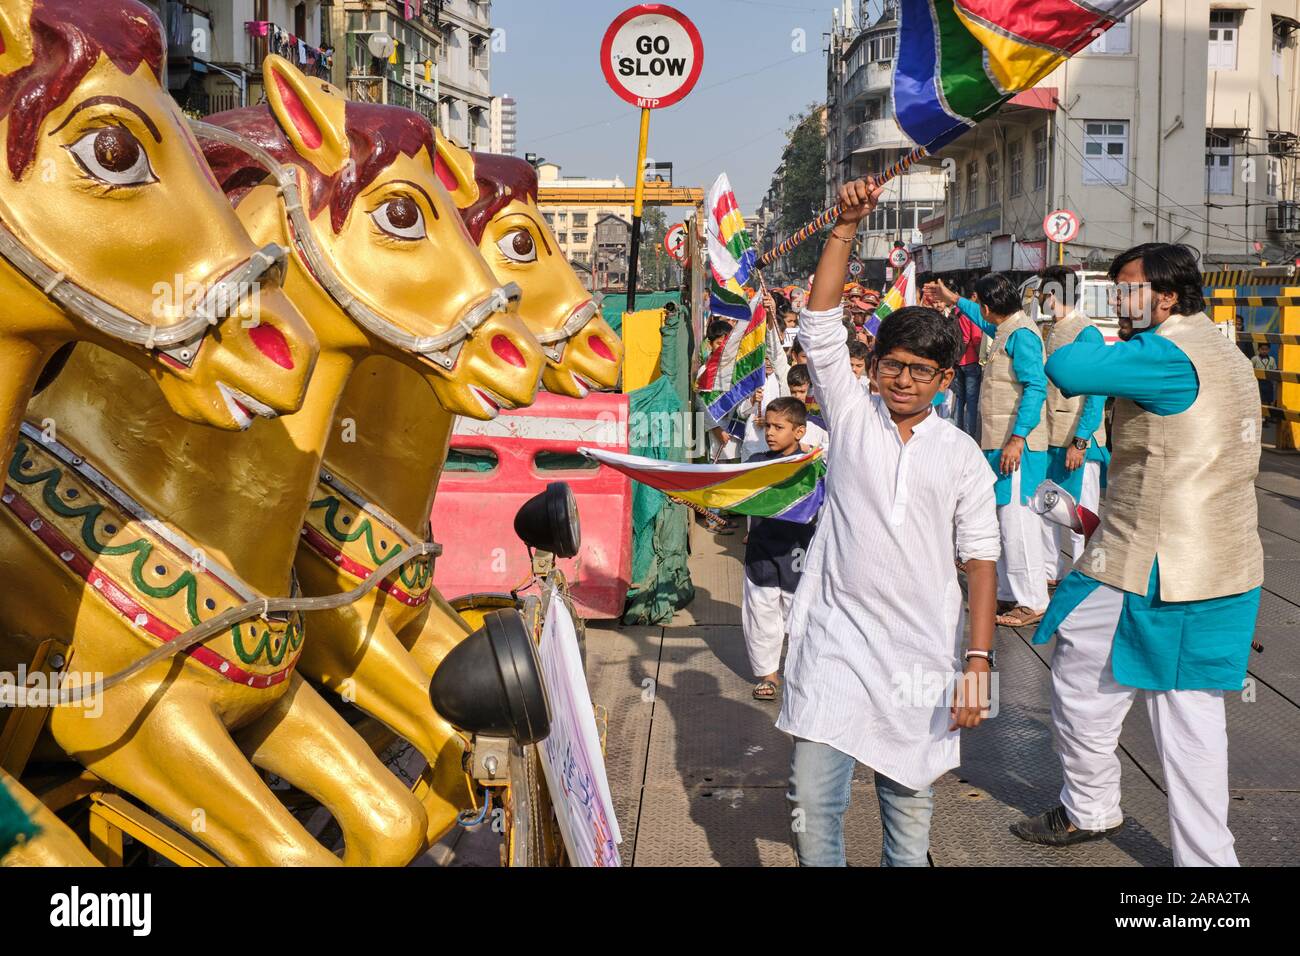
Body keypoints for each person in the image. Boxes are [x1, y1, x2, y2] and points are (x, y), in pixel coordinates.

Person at [1011, 243, 1263, 867]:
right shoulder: (1218, 347)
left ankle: (1207, 869)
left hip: (1160, 566)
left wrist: (1077, 322)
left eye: (1125, 290)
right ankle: (1090, 806)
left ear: (1167, 296)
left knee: (1184, 715)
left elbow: (1067, 369)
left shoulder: (1162, 351)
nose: (1117, 302)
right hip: (1206, 556)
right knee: (1084, 673)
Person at [781, 177, 1000, 868]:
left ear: (944, 380)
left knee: (908, 829)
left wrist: (978, 663)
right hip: (833, 648)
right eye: (892, 366)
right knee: (815, 811)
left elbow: (982, 561)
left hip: (921, 661)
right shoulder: (850, 417)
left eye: (922, 371)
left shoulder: (961, 456)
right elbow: (818, 327)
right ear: (871, 369)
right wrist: (844, 225)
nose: (904, 380)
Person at [928, 274, 1050, 627]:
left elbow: (1035, 388)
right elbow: (982, 319)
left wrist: (1018, 438)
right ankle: (1012, 593)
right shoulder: (1006, 327)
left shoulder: (1022, 335)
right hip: (1000, 443)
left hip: (1017, 447)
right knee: (1004, 521)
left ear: (987, 305)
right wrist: (953, 298)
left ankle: (1033, 600)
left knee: (1019, 522)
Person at [742, 396, 820, 702]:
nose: (770, 433)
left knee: (799, 614)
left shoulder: (813, 466)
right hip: (761, 549)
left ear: (799, 432)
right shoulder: (755, 464)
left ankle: (802, 672)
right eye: (767, 426)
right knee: (761, 614)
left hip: (799, 551)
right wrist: (698, 495)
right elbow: (725, 489)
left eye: (779, 427)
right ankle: (769, 675)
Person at [1035, 265, 1109, 584]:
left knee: (1082, 513)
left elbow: (1097, 390)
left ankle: (1085, 575)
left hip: (1077, 442)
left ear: (1052, 294)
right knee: (1050, 508)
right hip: (1051, 435)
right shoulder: (1050, 329)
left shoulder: (1086, 332)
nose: (1038, 297)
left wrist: (1081, 441)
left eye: (1041, 291)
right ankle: (1052, 572)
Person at [785, 365, 829, 451]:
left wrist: (810, 449)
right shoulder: (788, 412)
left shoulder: (822, 413)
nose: (797, 396)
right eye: (793, 392)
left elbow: (831, 442)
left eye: (802, 391)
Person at [1252, 342, 1277, 410]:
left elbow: (1274, 371)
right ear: (1258, 349)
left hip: (1269, 383)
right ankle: (1262, 416)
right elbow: (1251, 371)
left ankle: (1268, 416)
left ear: (1269, 350)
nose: (1264, 351)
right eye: (1262, 349)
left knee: (1269, 399)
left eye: (1266, 349)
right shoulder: (1254, 359)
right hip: (1258, 383)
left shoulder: (1272, 359)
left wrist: (1273, 384)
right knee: (1260, 399)